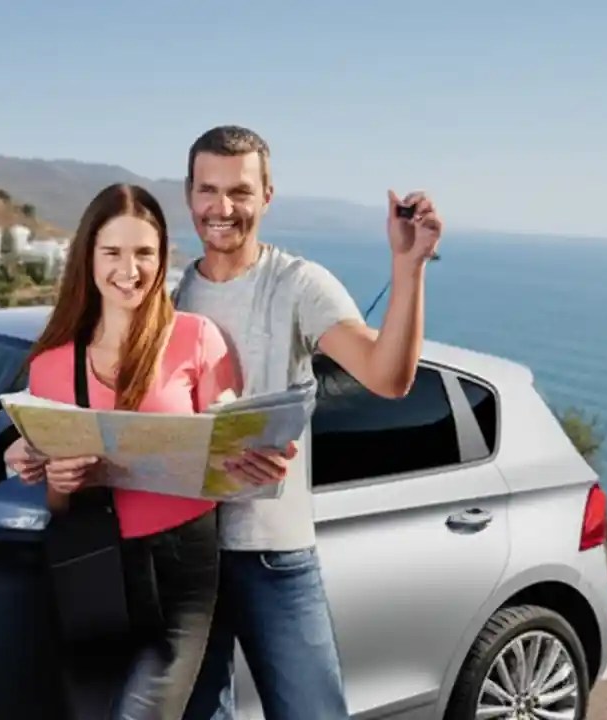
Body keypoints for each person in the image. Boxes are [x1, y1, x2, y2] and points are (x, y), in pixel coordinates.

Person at [168, 126, 445, 720]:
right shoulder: (171, 295)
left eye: (240, 192)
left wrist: (408, 267)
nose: (222, 209)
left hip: (275, 555)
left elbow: (387, 376)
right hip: (188, 557)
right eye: (208, 191)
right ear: (188, 195)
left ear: (267, 196)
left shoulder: (297, 285)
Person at [4, 182, 244, 720]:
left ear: (162, 260)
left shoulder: (197, 338)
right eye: (113, 252)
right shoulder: (51, 365)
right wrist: (57, 481)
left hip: (184, 566)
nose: (129, 269)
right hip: (92, 570)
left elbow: (230, 454)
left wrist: (255, 448)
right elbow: (58, 506)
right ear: (88, 257)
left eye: (144, 253)